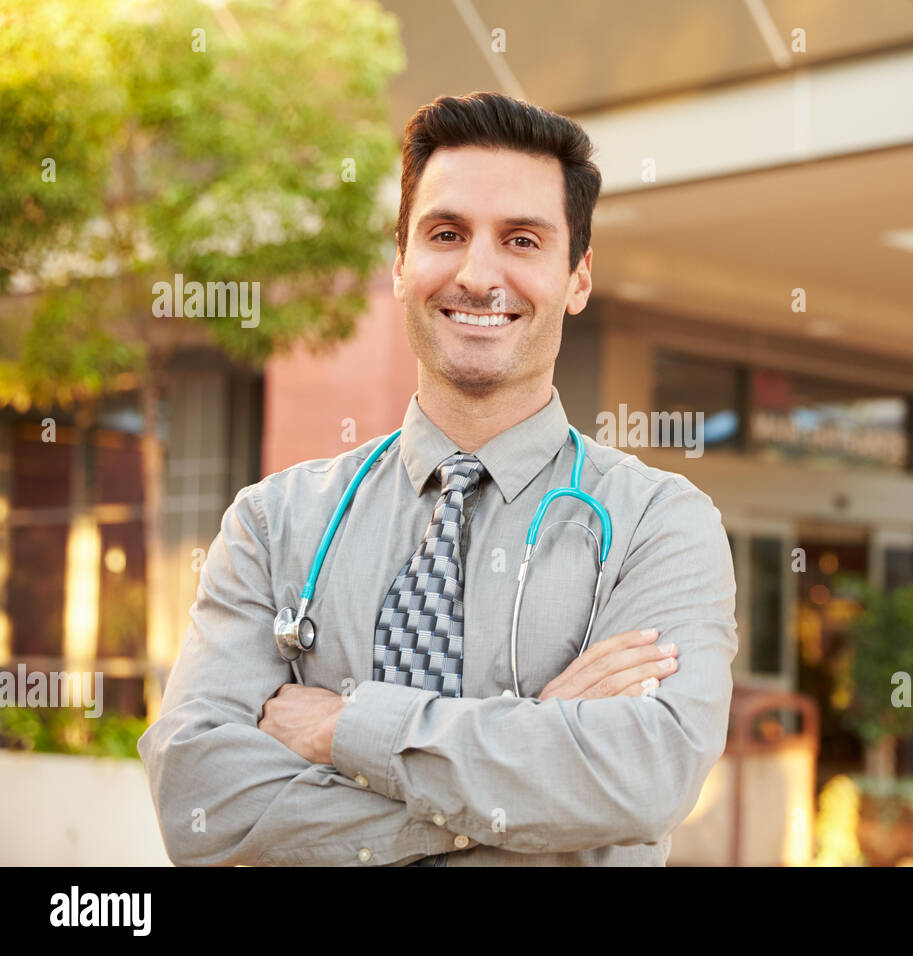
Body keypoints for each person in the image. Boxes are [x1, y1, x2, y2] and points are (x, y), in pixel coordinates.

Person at [137, 91, 738, 866]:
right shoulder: (273, 522)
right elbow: (199, 800)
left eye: (522, 240)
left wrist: (341, 729)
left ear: (577, 277)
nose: (478, 274)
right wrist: (531, 753)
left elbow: (642, 777)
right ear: (399, 265)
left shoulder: (661, 525)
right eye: (446, 234)